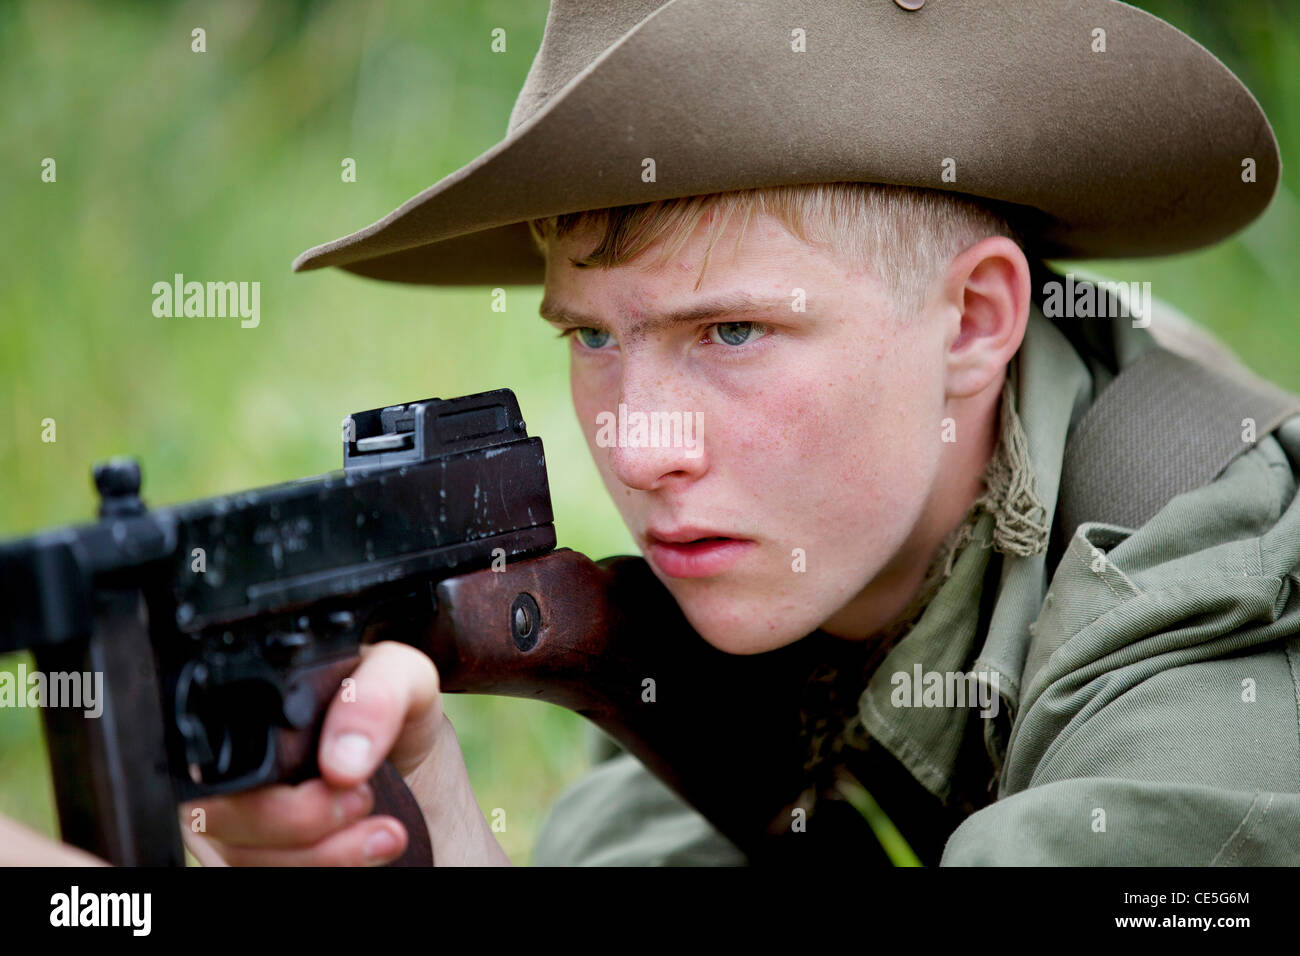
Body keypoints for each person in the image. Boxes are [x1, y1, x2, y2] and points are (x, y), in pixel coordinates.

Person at [188, 0, 1300, 865]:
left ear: (972, 321)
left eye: (729, 330)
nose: (635, 449)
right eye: (589, 337)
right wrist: (433, 826)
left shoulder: (1212, 602)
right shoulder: (737, 600)